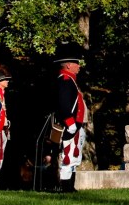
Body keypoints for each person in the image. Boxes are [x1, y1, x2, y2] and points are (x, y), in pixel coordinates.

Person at [54, 43, 87, 192]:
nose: (78, 66)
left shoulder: (70, 79)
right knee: (68, 156)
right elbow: (63, 104)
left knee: (74, 156)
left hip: (76, 125)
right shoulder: (65, 81)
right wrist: (70, 123)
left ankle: (70, 187)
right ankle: (65, 187)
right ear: (68, 65)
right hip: (70, 125)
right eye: (76, 63)